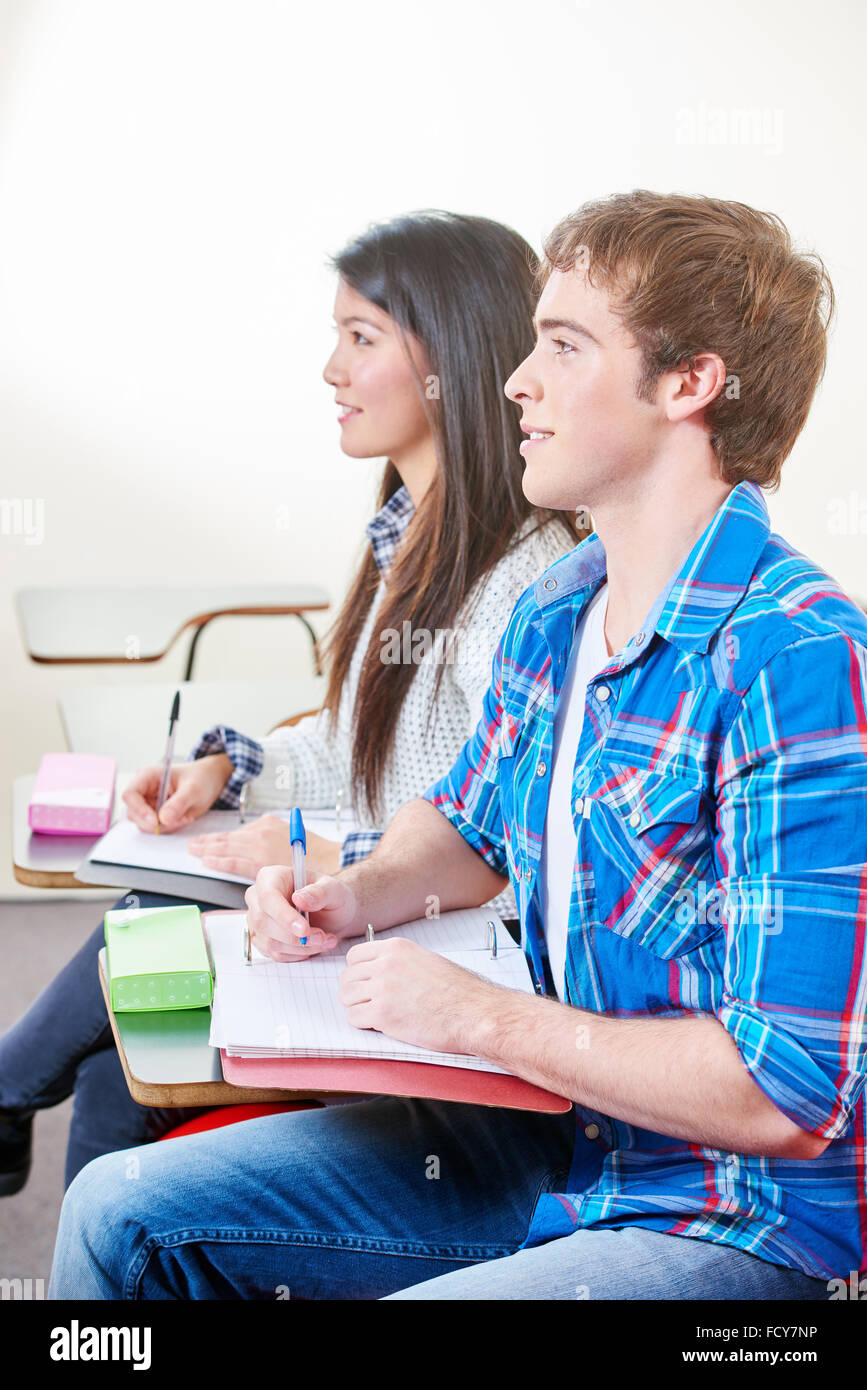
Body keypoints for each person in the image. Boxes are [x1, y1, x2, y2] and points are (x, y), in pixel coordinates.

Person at [50, 190, 867, 1302]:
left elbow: (787, 1091)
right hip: (545, 1142)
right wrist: (359, 892)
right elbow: (470, 827)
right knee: (117, 1213)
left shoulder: (799, 656)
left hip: (731, 1213)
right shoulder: (560, 610)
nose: (516, 380)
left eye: (565, 346)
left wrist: (478, 1015)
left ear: (690, 383)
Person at [0, 211, 577, 1195]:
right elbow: (352, 742)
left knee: (146, 930)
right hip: (372, 906)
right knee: (114, 1051)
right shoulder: (408, 537)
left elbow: (508, 852)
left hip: (446, 955)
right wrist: (229, 767)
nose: (331, 370)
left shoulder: (523, 584)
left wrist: (317, 849)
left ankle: (9, 1105)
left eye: (361, 338)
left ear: (453, 356)